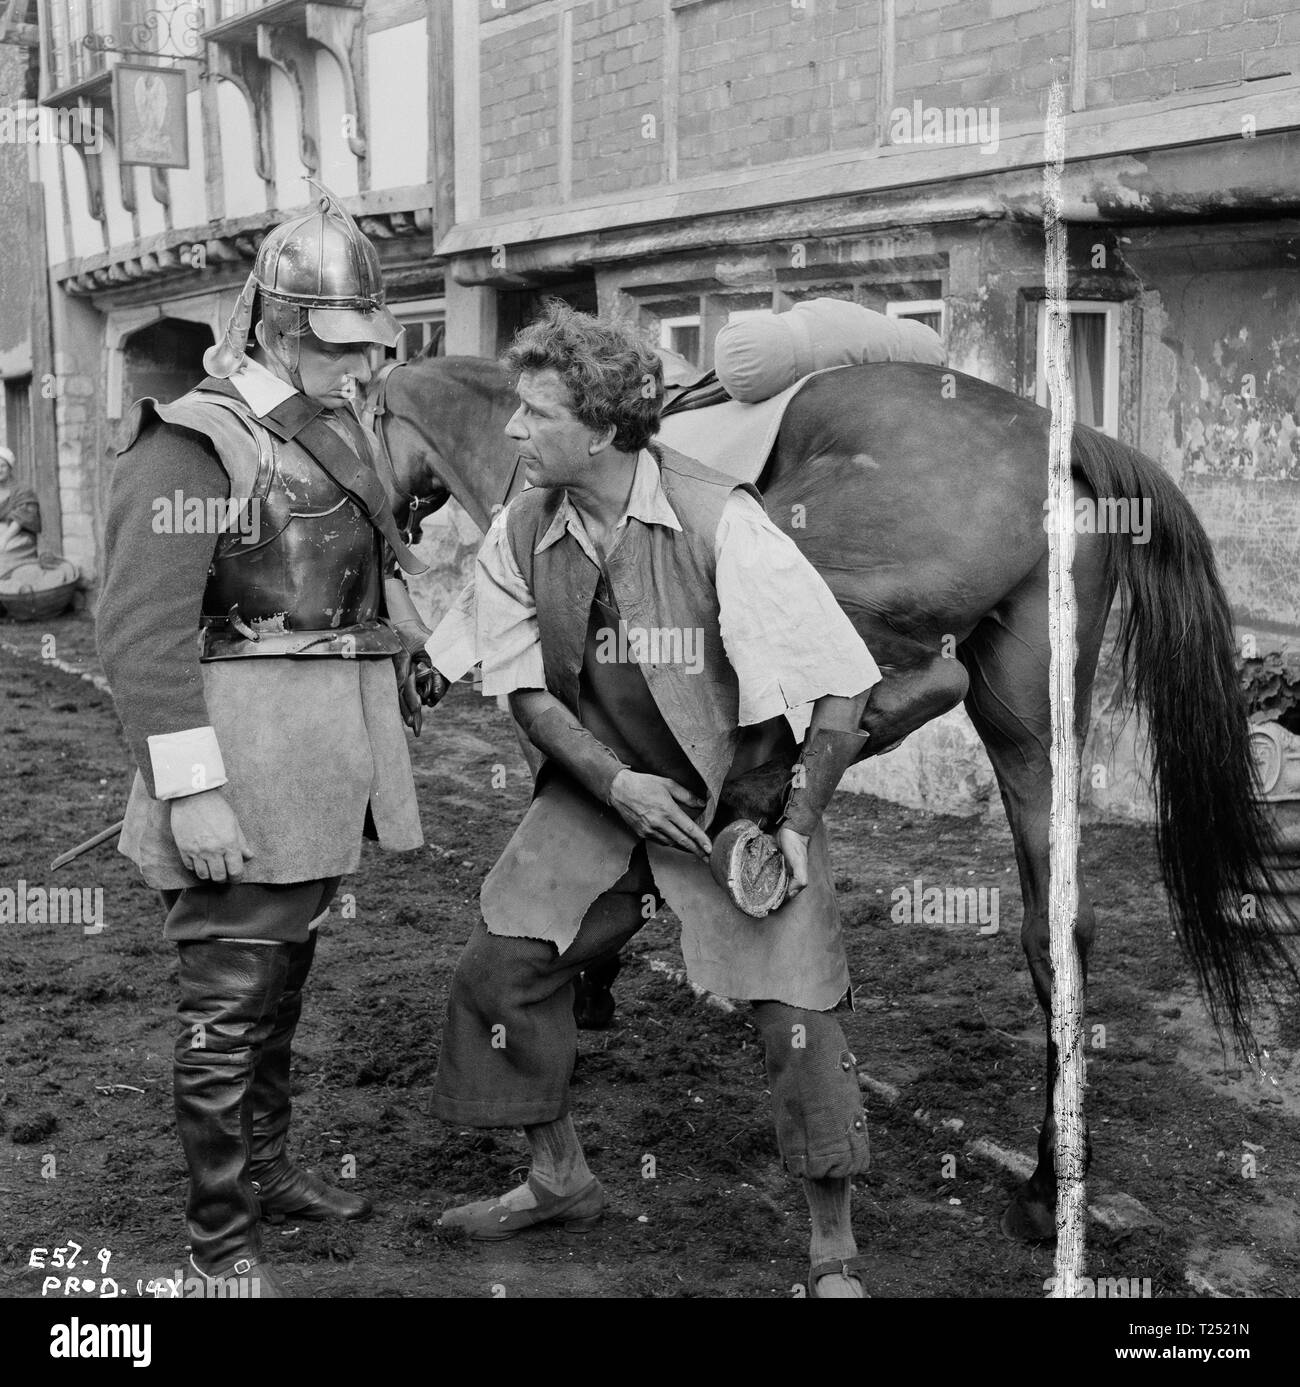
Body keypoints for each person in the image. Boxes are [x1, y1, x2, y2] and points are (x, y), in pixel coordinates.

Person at [425, 303, 882, 1297]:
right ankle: (557, 1178)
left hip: (735, 801)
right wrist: (615, 783)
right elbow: (524, 688)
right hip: (602, 789)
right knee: (498, 968)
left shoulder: (725, 522)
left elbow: (842, 680)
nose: (510, 430)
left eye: (534, 413)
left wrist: (794, 824)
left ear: (599, 427)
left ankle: (832, 1244)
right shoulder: (521, 526)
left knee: (797, 1015)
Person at [96, 189, 433, 1298]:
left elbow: (353, 586)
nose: (355, 364)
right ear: (275, 327)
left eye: (364, 344)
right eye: (334, 345)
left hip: (324, 757)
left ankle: (270, 1175)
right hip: (237, 762)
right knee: (227, 1007)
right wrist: (192, 790)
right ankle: (218, 1242)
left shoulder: (336, 429)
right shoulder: (194, 441)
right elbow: (141, 635)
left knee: (280, 988)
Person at [0, 443, 41, 575]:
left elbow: (21, 519)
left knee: (3, 555)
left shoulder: (23, 490)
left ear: (10, 468)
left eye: (2, 466)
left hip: (20, 536)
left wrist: (4, 539)